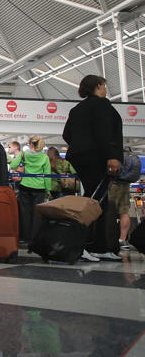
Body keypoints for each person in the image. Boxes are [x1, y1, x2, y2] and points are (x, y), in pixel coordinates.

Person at [63, 75, 123, 261]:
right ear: (98, 86)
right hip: (97, 158)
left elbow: (66, 134)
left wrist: (80, 146)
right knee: (95, 200)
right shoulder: (102, 105)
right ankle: (81, 245)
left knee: (96, 200)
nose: (105, 89)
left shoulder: (77, 109)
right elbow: (105, 133)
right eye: (104, 86)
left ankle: (99, 245)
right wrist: (111, 156)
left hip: (81, 158)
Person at [9, 136, 50, 243]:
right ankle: (34, 238)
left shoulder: (24, 154)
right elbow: (47, 175)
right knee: (37, 215)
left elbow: (13, 165)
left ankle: (24, 237)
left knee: (24, 213)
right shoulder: (44, 157)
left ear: (31, 145)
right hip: (39, 188)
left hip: (25, 186)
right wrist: (48, 190)